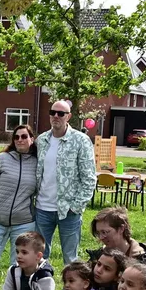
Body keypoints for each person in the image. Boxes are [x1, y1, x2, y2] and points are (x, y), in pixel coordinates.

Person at [35, 99, 96, 263]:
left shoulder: (81, 140)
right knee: (39, 258)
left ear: (68, 116)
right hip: (42, 209)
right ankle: (42, 289)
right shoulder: (41, 140)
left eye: (61, 113)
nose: (56, 116)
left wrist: (76, 206)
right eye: (52, 112)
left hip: (68, 211)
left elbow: (89, 178)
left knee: (70, 261)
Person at [0, 124, 38, 290]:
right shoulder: (3, 158)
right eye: (17, 137)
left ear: (32, 139)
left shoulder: (38, 163)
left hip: (24, 222)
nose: (20, 140)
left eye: (24, 136)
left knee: (19, 265)